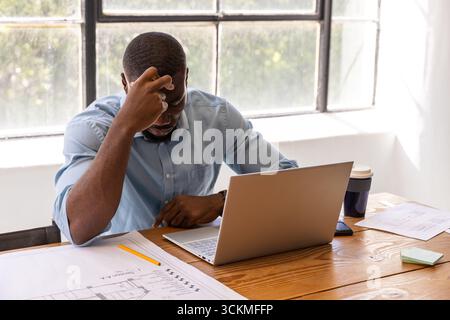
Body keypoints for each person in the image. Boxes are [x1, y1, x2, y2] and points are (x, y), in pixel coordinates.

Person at [53, 32, 298, 246]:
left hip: (194, 258)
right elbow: (77, 227)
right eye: (152, 104)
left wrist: (220, 202)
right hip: (120, 263)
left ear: (186, 79)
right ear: (125, 84)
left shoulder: (215, 116)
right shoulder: (92, 127)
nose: (162, 118)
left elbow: (289, 180)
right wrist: (124, 127)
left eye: (174, 102)